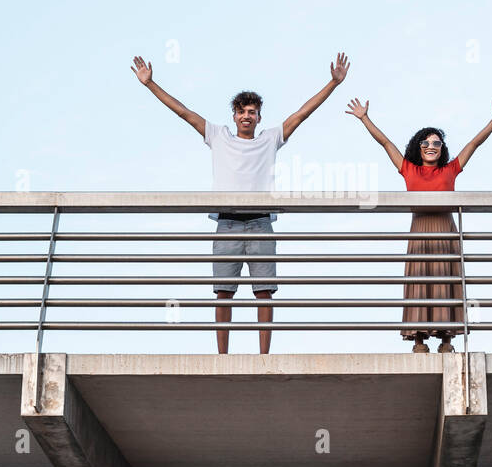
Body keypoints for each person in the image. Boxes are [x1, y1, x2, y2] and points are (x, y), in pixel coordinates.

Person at [132, 53, 350, 353]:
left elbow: (302, 114)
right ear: (234, 115)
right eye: (241, 111)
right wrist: (150, 84)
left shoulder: (270, 138)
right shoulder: (218, 135)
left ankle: (264, 356)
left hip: (260, 222)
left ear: (259, 117)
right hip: (227, 222)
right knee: (223, 292)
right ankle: (223, 356)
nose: (247, 116)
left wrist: (333, 84)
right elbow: (183, 112)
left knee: (264, 292)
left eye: (252, 111)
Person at [346, 97, 492, 352]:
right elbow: (385, 143)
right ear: (419, 146)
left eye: (437, 143)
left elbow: (474, 143)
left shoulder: (450, 170)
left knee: (445, 280)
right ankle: (418, 340)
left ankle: (447, 339)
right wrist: (364, 117)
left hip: (445, 230)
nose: (431, 146)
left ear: (442, 148)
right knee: (420, 278)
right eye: (426, 142)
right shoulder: (409, 169)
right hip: (420, 230)